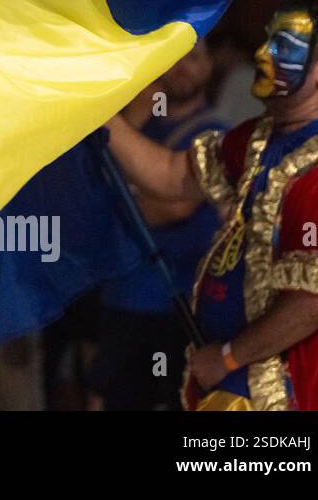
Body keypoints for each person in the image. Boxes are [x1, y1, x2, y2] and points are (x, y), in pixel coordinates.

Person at [107, 0, 318, 410]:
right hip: (233, 383)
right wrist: (100, 117)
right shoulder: (258, 140)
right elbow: (172, 175)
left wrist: (229, 356)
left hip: (286, 393)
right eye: (267, 41)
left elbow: (313, 301)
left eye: (283, 47)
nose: (263, 53)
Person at [89, 41, 225, 410]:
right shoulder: (136, 126)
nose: (182, 67)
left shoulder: (215, 133)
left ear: (210, 67)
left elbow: (177, 205)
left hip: (175, 302)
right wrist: (130, 119)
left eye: (194, 57)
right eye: (174, 57)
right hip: (121, 295)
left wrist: (120, 201)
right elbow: (88, 190)